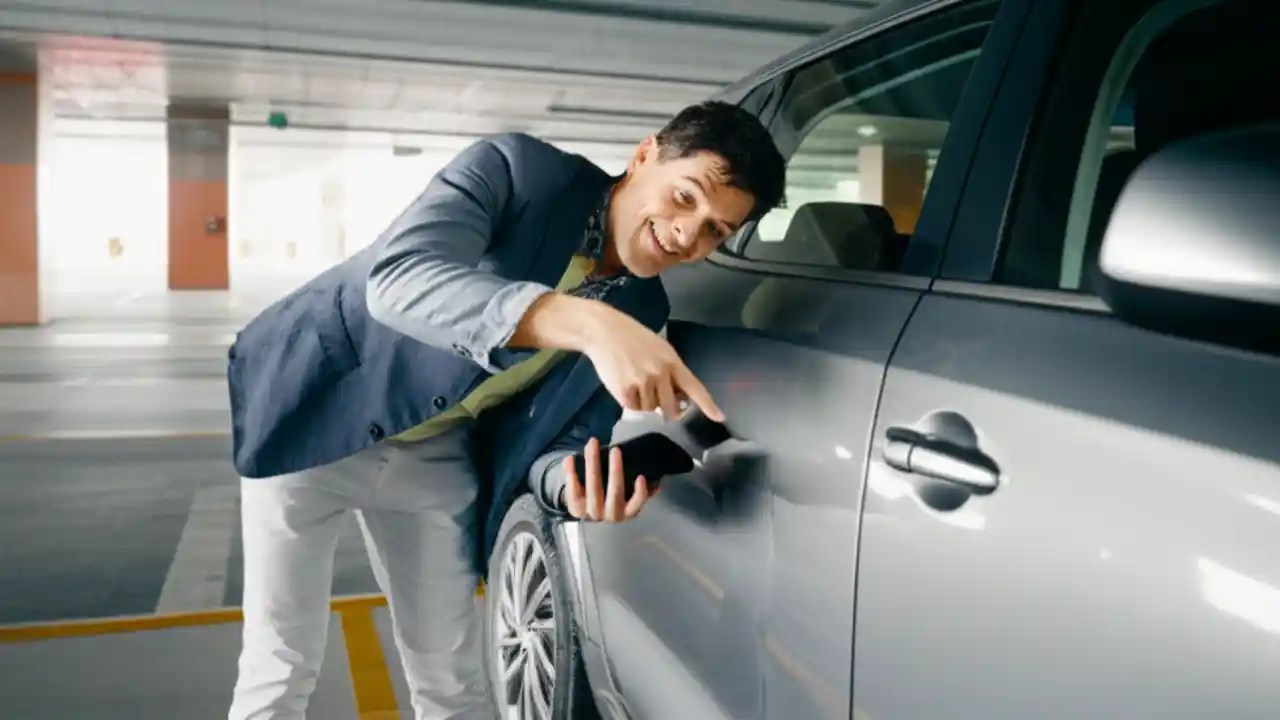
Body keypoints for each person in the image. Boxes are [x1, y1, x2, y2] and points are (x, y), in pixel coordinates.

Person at [225, 100, 786, 719]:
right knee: (280, 669)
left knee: (453, 686)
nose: (688, 235)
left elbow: (562, 443)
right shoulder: (515, 170)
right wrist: (588, 324)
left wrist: (576, 488)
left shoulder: (644, 310)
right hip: (322, 405)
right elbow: (401, 279)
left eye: (715, 231)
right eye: (686, 197)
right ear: (645, 155)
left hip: (437, 456)